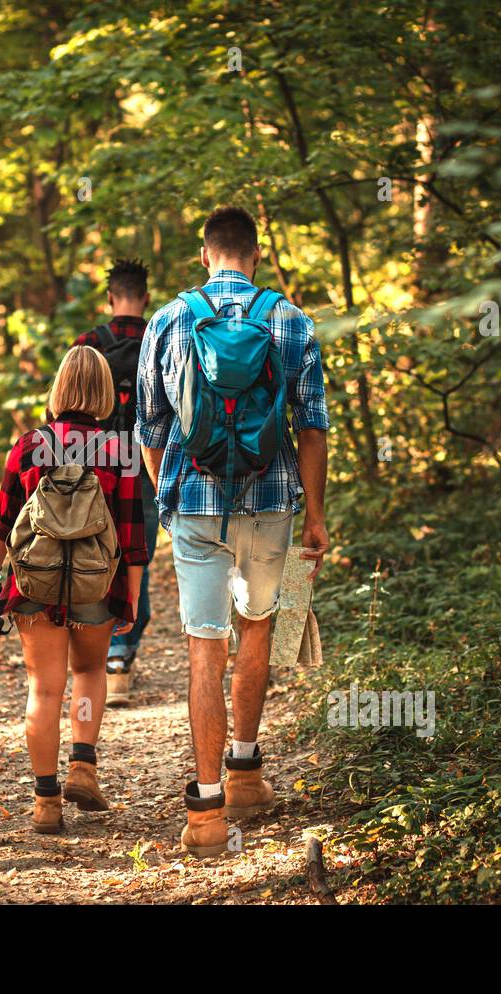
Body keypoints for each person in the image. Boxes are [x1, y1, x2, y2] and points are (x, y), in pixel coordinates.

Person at [135, 206, 330, 857]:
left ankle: (209, 810)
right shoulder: (291, 319)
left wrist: (169, 500)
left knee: (203, 646)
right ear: (256, 252)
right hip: (272, 505)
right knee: (259, 624)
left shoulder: (168, 319)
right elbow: (312, 427)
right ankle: (247, 770)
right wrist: (318, 516)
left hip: (193, 503)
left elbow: (151, 429)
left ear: (204, 253)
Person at [0, 346, 149, 834]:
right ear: (101, 392)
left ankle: (46, 802)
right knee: (91, 670)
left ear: (58, 389)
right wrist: (131, 594)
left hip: (35, 580)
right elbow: (134, 536)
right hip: (97, 584)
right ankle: (83, 766)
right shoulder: (121, 451)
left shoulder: (29, 446)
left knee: (44, 688)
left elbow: (1, 524)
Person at [74, 259, 159, 707]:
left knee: (94, 552)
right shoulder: (161, 338)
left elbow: (67, 409)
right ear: (145, 297)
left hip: (95, 467)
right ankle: (122, 657)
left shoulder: (89, 344)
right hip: (146, 466)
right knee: (136, 558)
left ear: (110, 297)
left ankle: (96, 648)